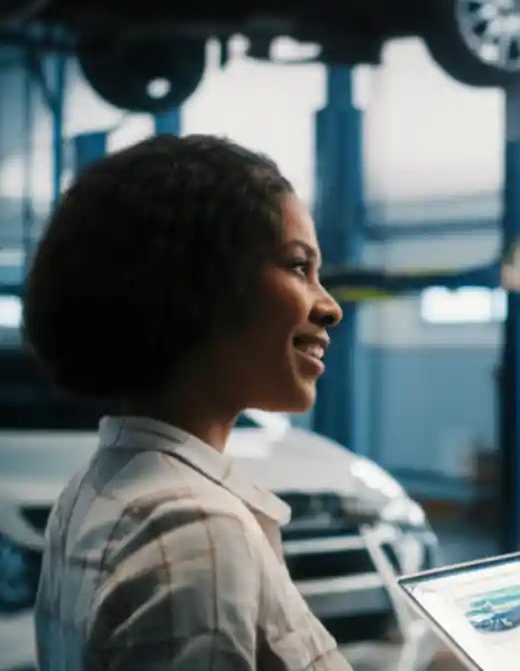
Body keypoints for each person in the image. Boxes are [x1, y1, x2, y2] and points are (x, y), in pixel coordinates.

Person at [26, 135, 353, 669]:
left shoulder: (94, 487)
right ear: (198, 282)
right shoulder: (193, 527)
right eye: (298, 267)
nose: (330, 307)